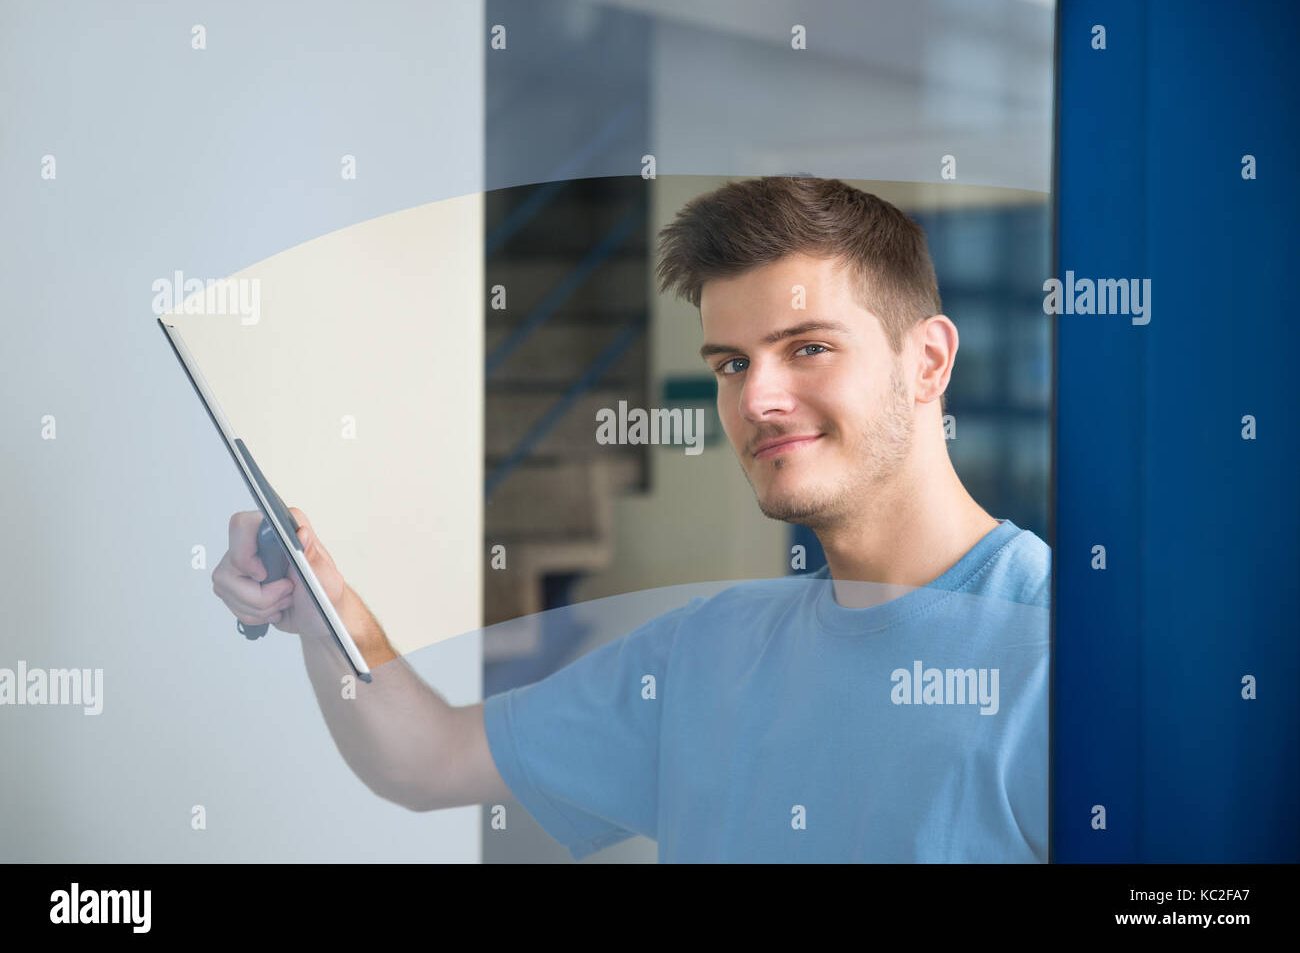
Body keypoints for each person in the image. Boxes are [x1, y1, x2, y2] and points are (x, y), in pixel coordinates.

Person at [211, 177, 1050, 862]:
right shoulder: (703, 653)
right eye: (732, 362)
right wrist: (323, 610)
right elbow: (428, 759)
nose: (756, 397)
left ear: (928, 360)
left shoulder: (1073, 657)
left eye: (808, 348)